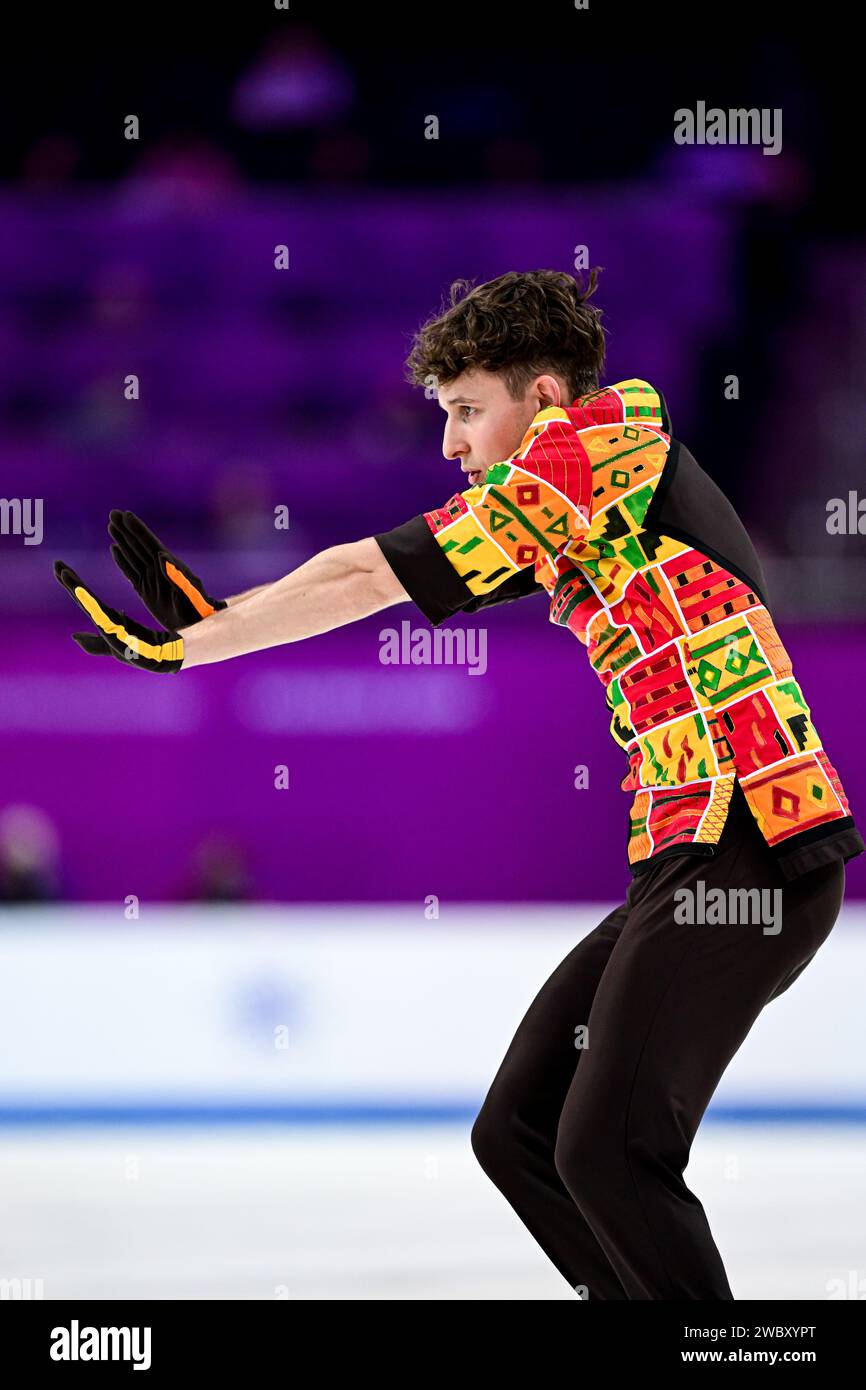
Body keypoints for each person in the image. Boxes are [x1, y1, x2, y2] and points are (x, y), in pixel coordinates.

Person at [55, 268, 864, 1299]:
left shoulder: (588, 456)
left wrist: (201, 644)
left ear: (542, 399)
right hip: (690, 851)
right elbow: (365, 561)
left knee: (608, 1153)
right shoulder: (575, 499)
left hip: (752, 843)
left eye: (465, 411)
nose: (449, 443)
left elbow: (366, 576)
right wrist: (215, 619)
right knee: (520, 1132)